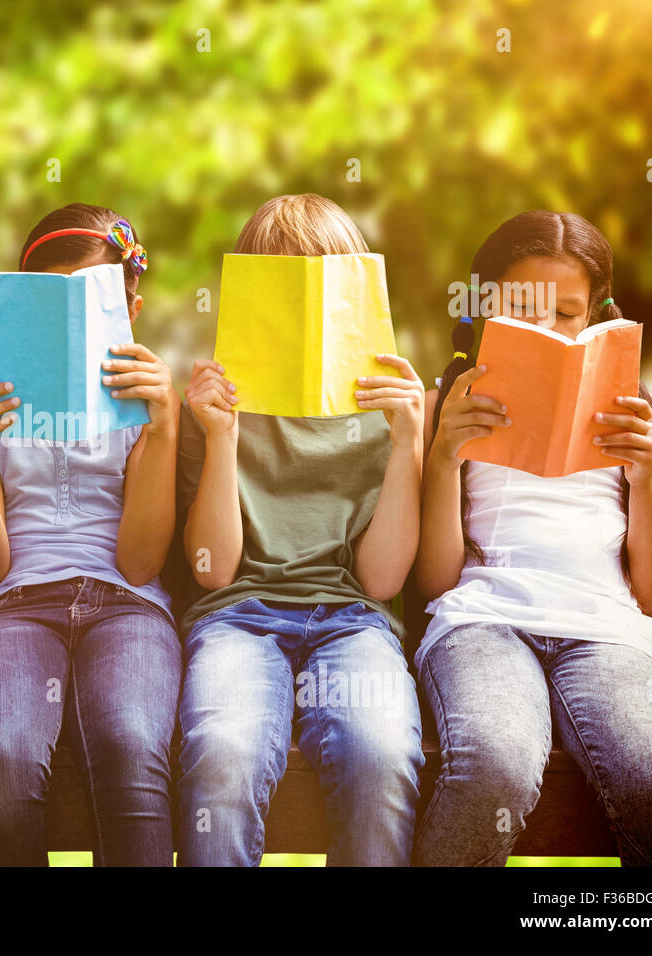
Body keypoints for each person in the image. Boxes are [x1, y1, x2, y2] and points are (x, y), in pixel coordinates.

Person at [411, 209, 652, 865]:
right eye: (521, 309)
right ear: (486, 307)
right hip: (483, 620)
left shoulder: (633, 409)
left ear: (598, 315)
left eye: (566, 314)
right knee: (496, 768)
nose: (544, 330)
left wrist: (650, 477)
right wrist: (441, 461)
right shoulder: (450, 402)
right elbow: (433, 581)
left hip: (603, 628)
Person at [175, 193, 426, 866]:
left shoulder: (386, 405)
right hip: (237, 618)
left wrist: (408, 445)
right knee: (223, 756)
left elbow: (380, 580)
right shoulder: (215, 401)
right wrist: (222, 438)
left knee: (381, 756)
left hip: (352, 620)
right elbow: (211, 570)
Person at [0, 203, 181, 865]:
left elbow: (139, 564)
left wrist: (163, 430)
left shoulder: (145, 411)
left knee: (133, 744)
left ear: (129, 311)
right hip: (16, 605)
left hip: (127, 605)